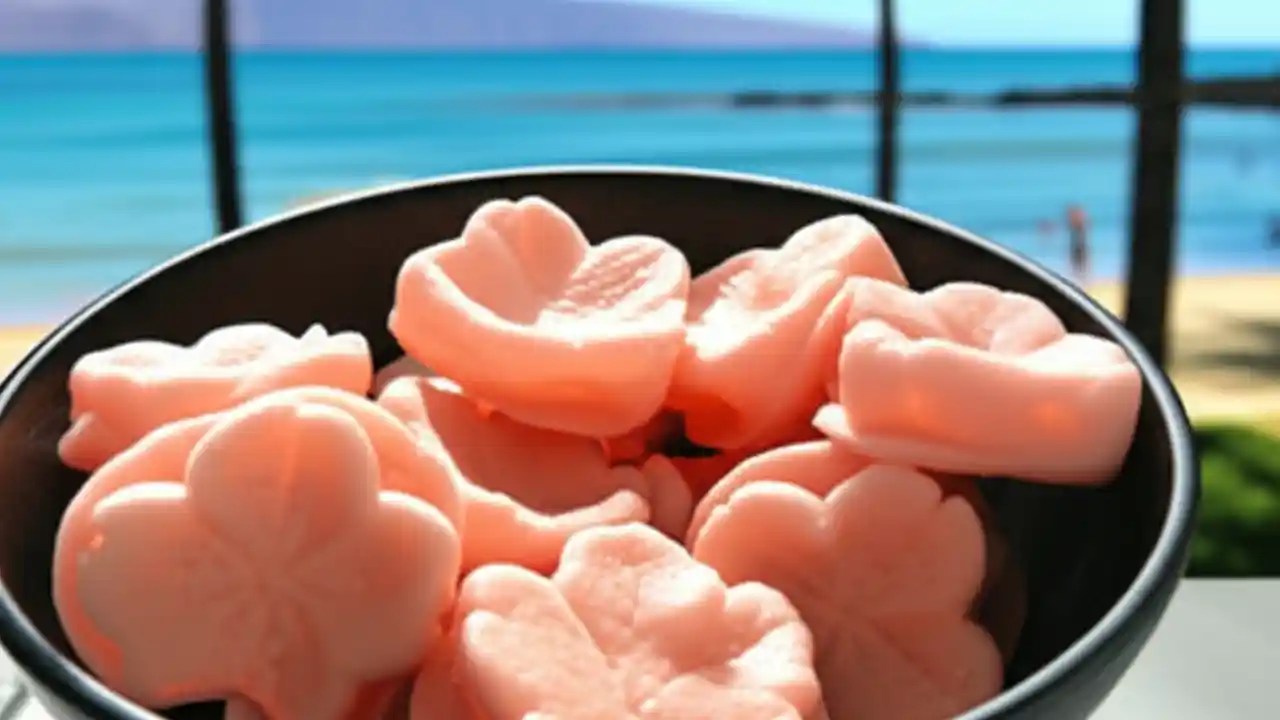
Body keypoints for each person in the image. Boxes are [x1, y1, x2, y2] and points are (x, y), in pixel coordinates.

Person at [1066, 204, 1091, 287]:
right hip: (1078, 247)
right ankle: (1082, 282)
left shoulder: (1078, 224)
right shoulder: (1078, 224)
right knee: (1079, 266)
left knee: (1081, 266)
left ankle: (1083, 282)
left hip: (1080, 247)